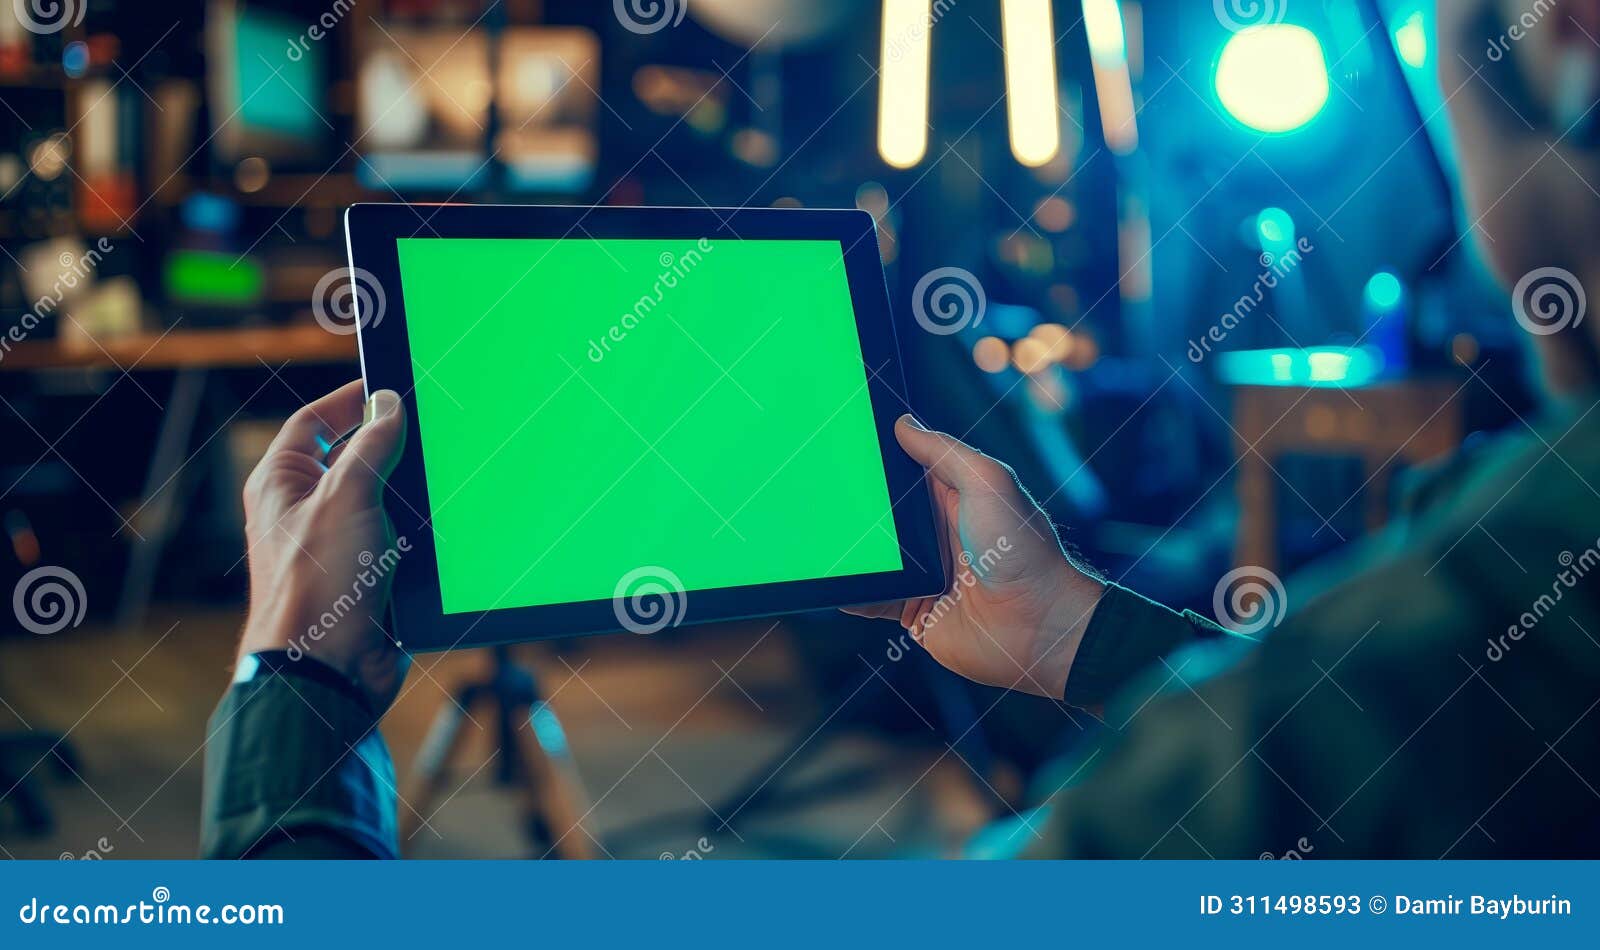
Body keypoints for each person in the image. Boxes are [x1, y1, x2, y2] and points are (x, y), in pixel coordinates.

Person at [203, 0, 1600, 858]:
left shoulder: (1492, 591)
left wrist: (294, 699)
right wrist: (1075, 631)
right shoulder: (1502, 588)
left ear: (1569, 42)